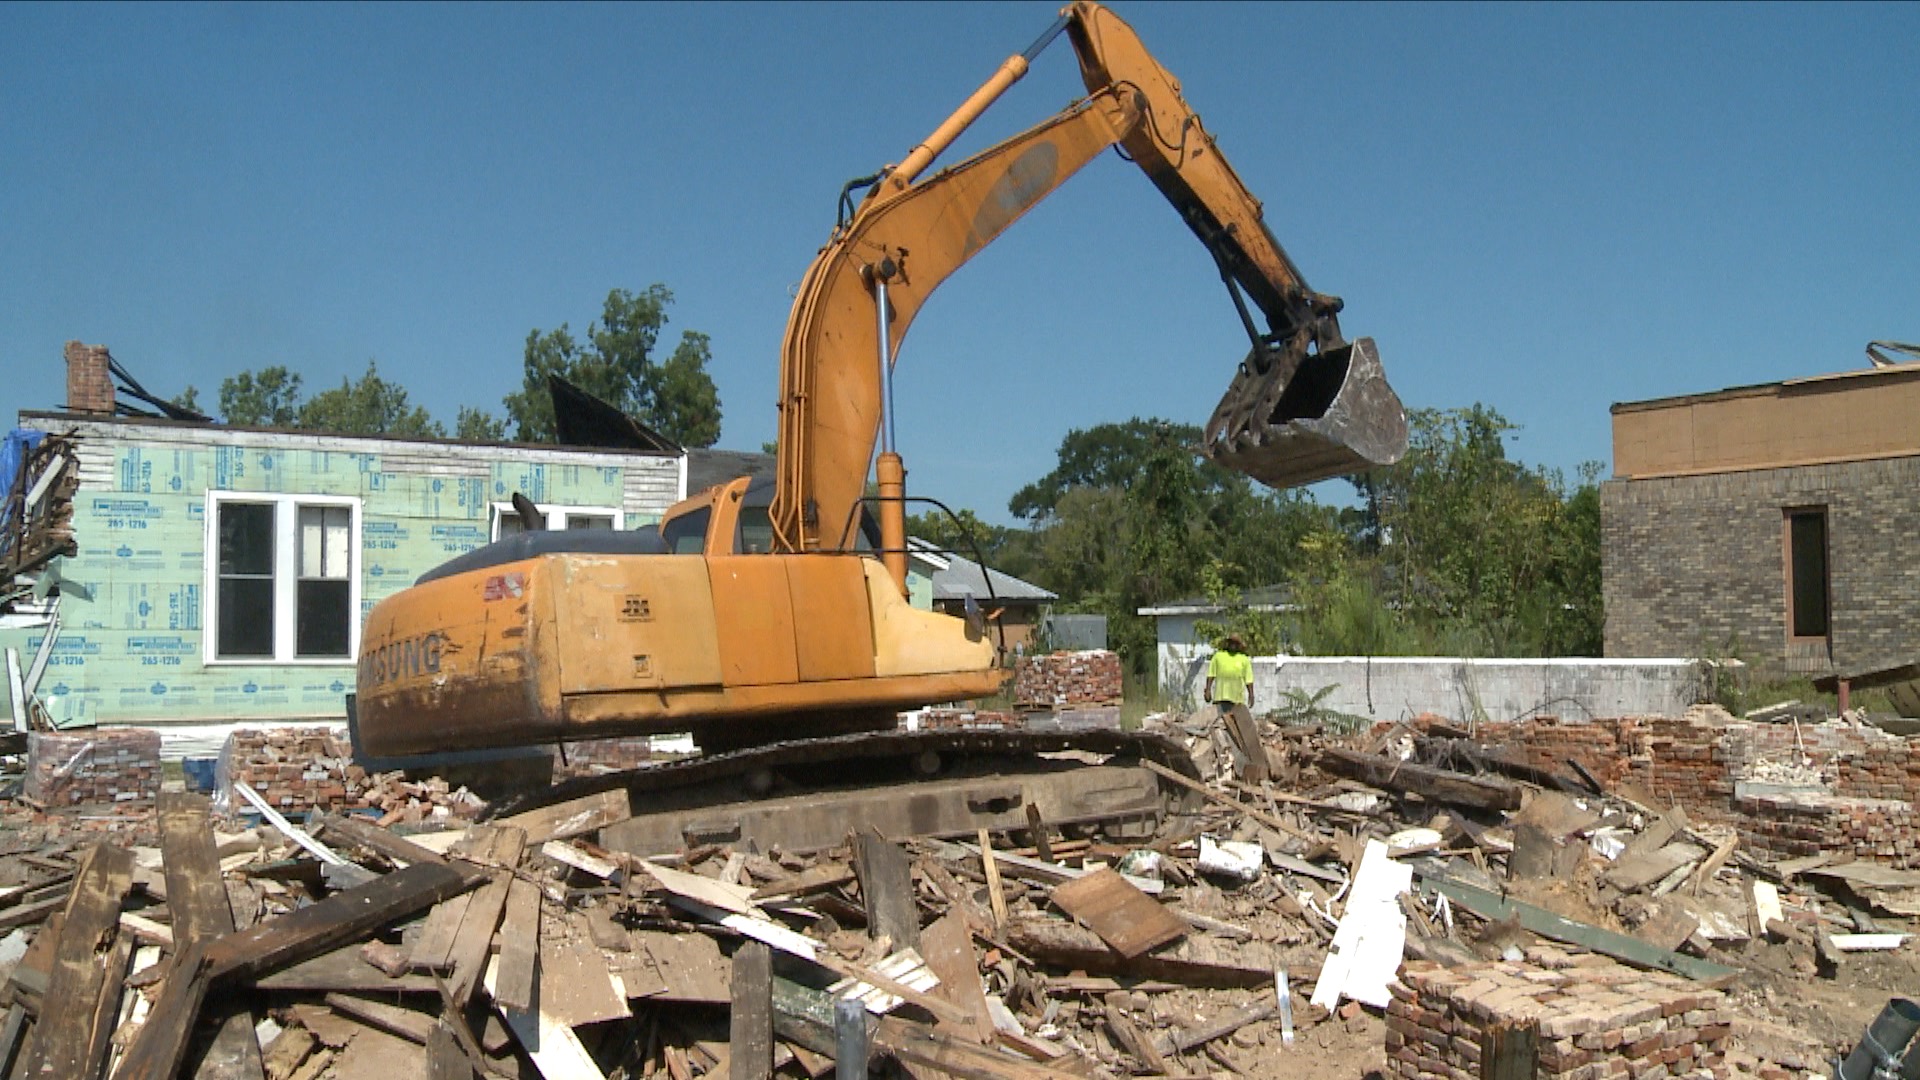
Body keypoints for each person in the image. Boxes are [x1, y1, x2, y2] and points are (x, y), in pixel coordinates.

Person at [1204, 634, 1253, 716]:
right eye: (1231, 642)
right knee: (1219, 724)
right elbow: (1211, 674)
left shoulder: (1244, 659)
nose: (1233, 645)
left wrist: (1251, 695)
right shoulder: (1218, 656)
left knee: (1235, 725)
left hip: (1236, 700)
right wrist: (1208, 690)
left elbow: (1249, 679)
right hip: (1220, 698)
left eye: (1235, 643)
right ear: (1228, 643)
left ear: (1238, 645)